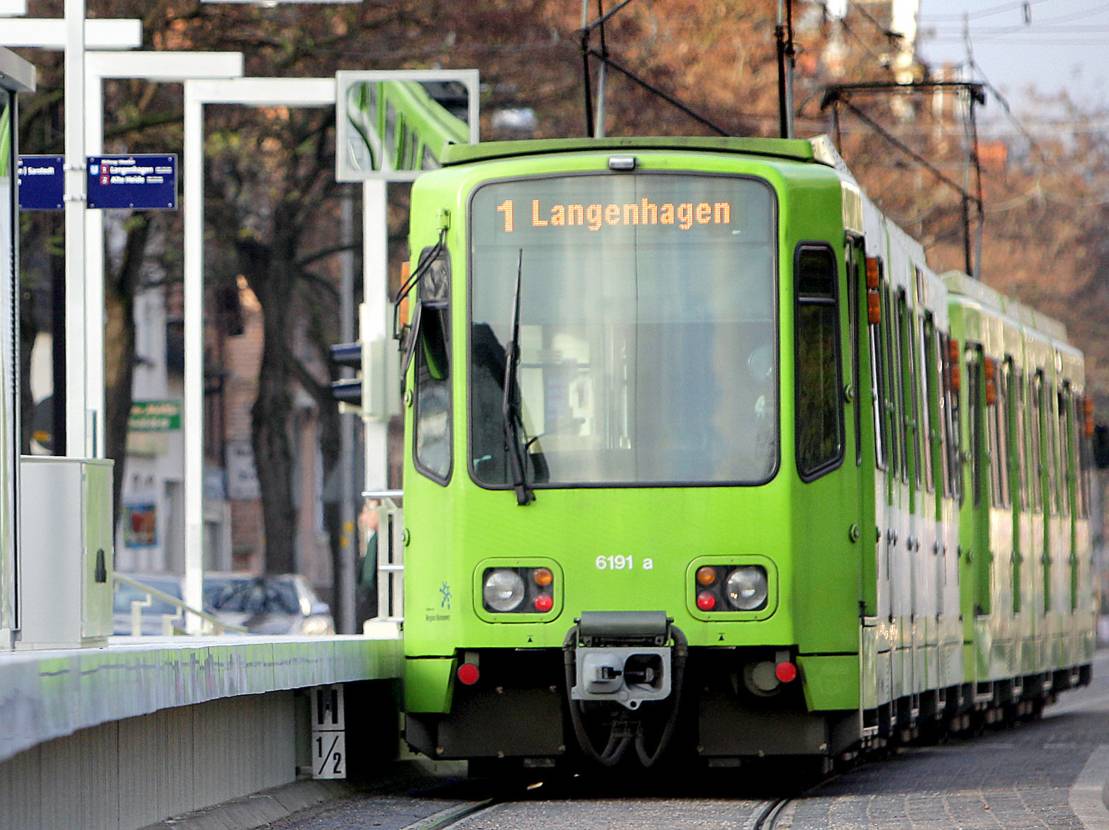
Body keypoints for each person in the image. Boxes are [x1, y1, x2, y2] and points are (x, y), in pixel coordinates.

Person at [355, 498, 380, 627]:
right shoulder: (374, 539)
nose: (363, 518)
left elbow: (367, 578)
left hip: (373, 606)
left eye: (368, 512)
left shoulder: (377, 540)